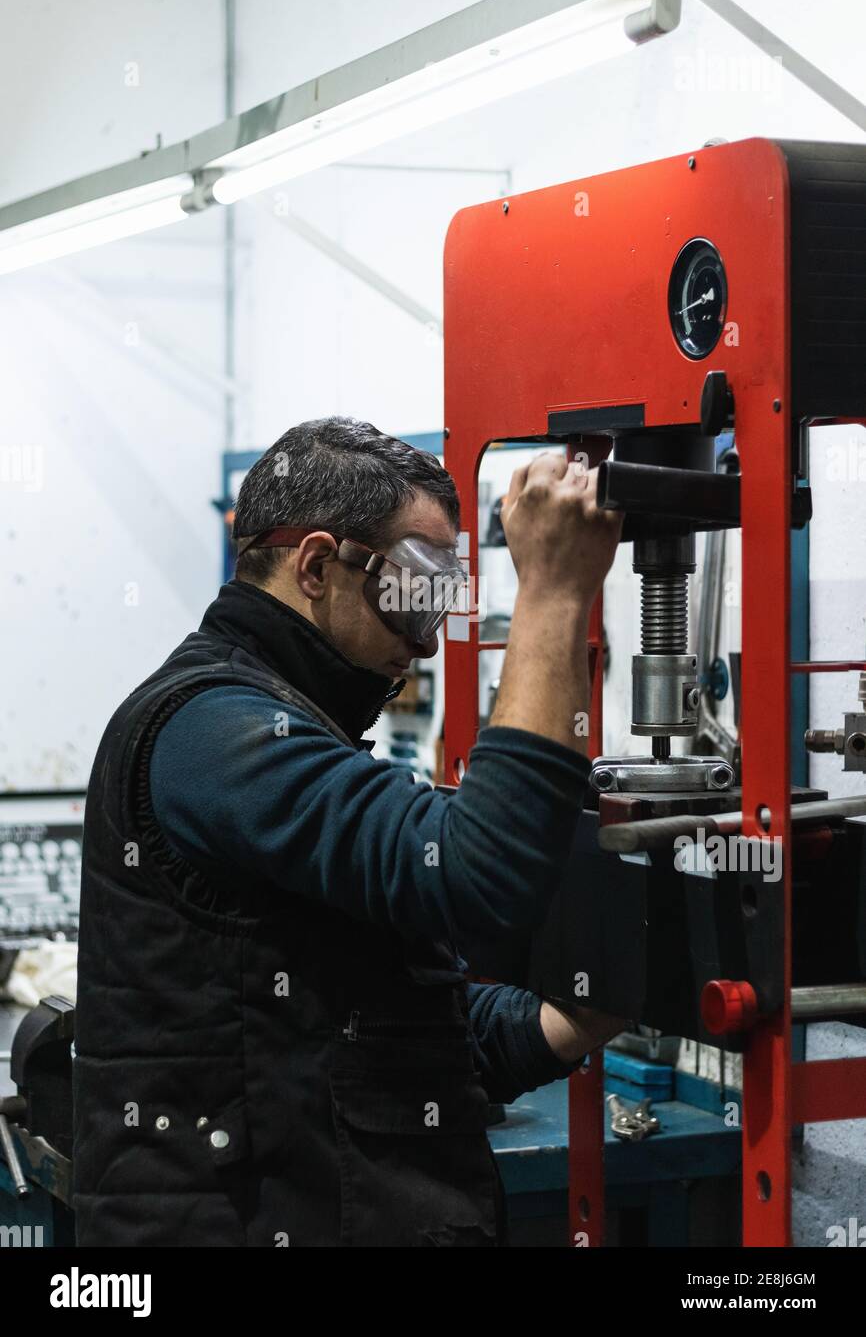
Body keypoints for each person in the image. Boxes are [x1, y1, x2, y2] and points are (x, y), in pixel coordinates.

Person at [73, 417, 623, 1247]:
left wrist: (566, 1025)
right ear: (318, 565)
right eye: (412, 592)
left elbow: (381, 1028)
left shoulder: (298, 727)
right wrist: (551, 595)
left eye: (441, 599)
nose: (428, 641)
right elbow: (478, 883)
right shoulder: (211, 732)